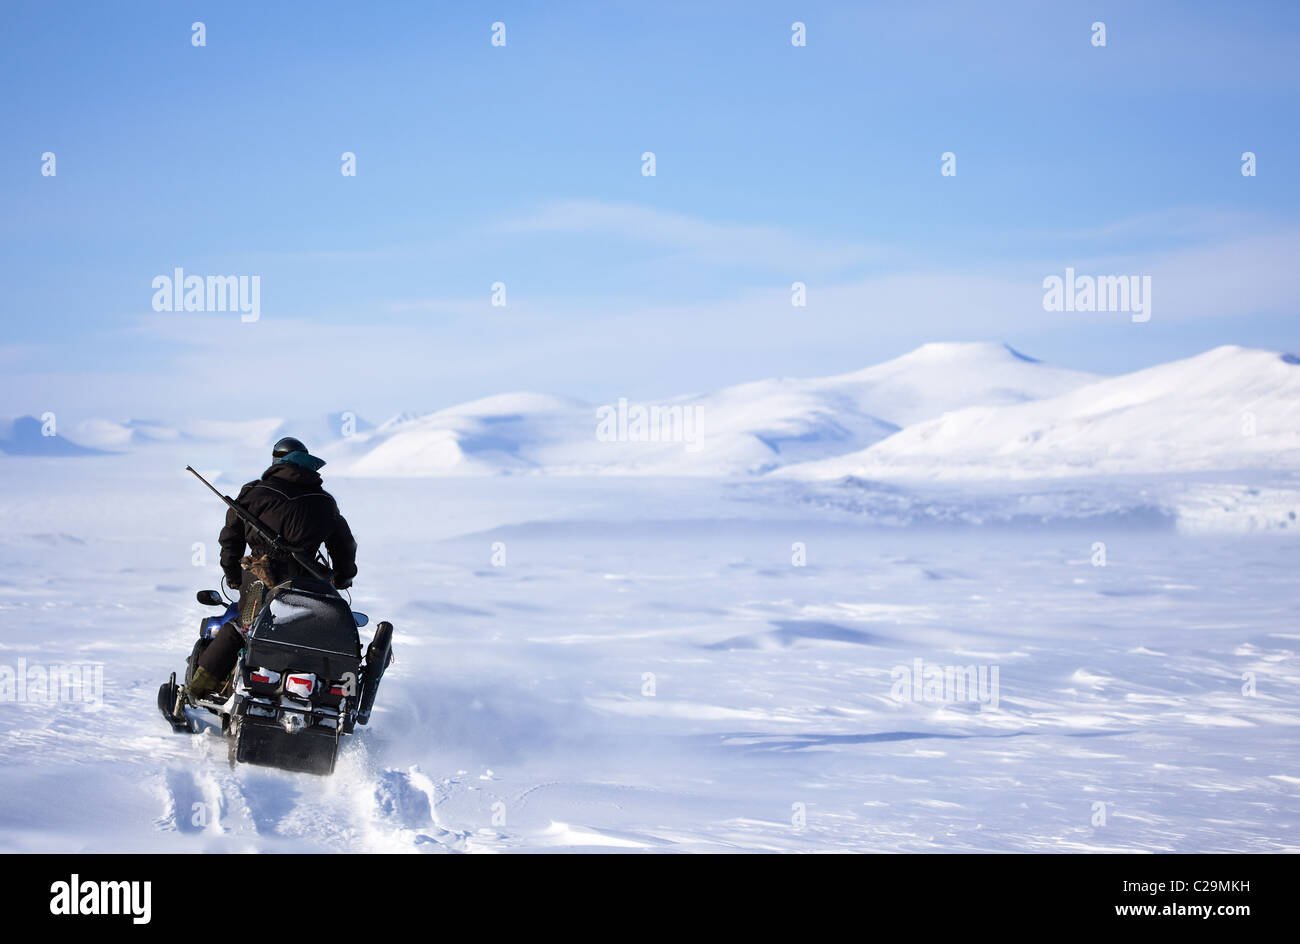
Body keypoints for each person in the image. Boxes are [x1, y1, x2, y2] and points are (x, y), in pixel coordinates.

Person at [188, 436, 358, 699]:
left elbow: (230, 541)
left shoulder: (254, 492)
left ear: (276, 462)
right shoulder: (324, 502)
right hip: (309, 584)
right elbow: (344, 547)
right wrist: (344, 577)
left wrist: (233, 576)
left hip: (259, 581)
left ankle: (199, 688)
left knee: (243, 629)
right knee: (308, 637)